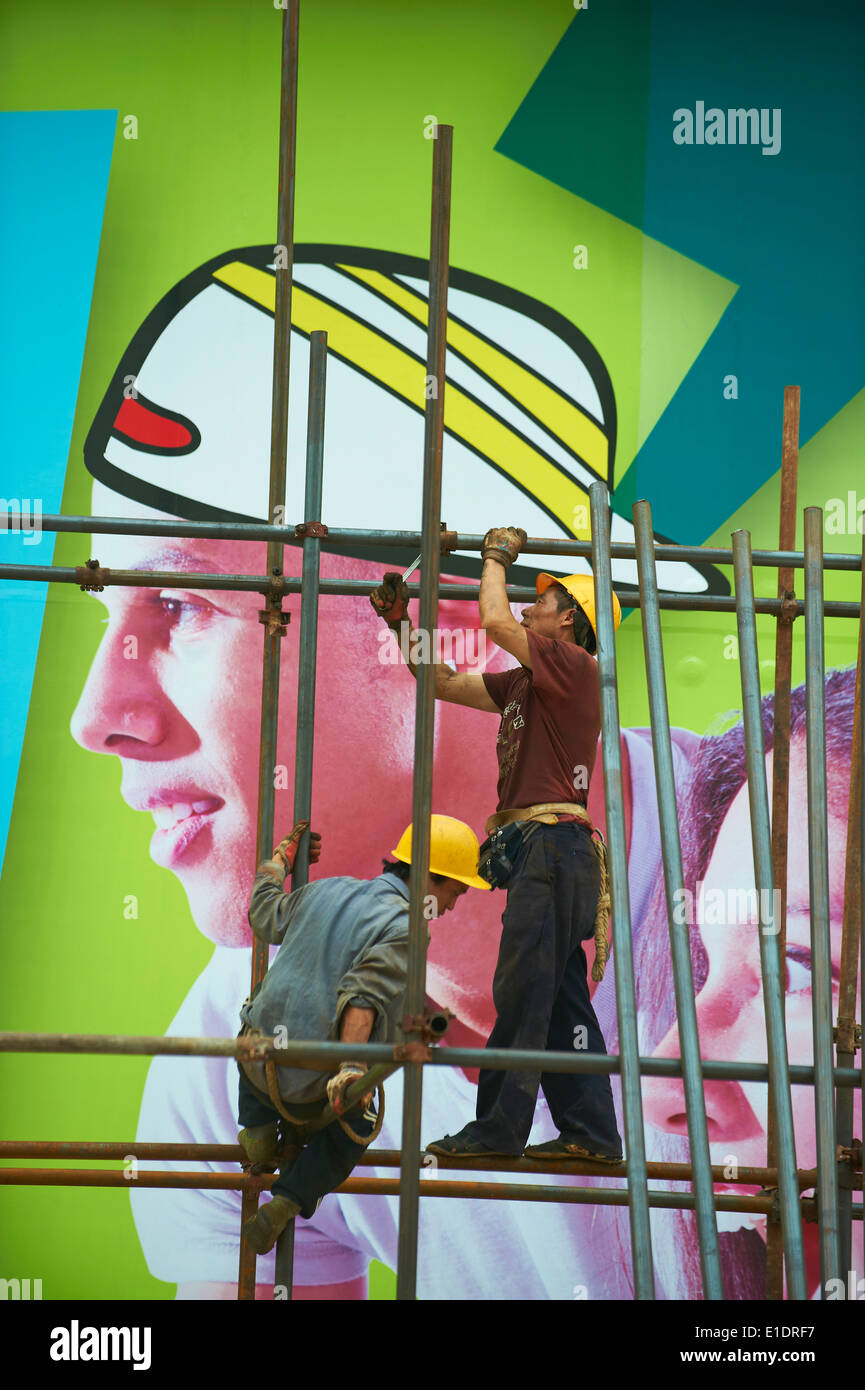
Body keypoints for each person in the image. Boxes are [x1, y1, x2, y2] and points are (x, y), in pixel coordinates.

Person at [371, 524, 623, 1163]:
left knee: (520, 991)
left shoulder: (573, 664)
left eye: (544, 600)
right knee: (560, 996)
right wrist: (403, 624)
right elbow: (443, 683)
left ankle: (496, 1132)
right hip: (550, 852)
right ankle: (591, 1136)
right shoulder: (531, 683)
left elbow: (490, 619)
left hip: (550, 849)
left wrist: (494, 555)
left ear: (569, 621)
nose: (529, 604)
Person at [233, 814, 488, 1255]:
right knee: (361, 1122)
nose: (451, 905)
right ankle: (287, 1202)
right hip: (311, 1085)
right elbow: (362, 997)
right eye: (454, 890)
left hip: (256, 1064)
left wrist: (278, 862)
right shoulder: (409, 927)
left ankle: (257, 1132)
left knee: (259, 1034)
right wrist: (351, 1070)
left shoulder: (325, 888)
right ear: (429, 875)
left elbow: (263, 915)